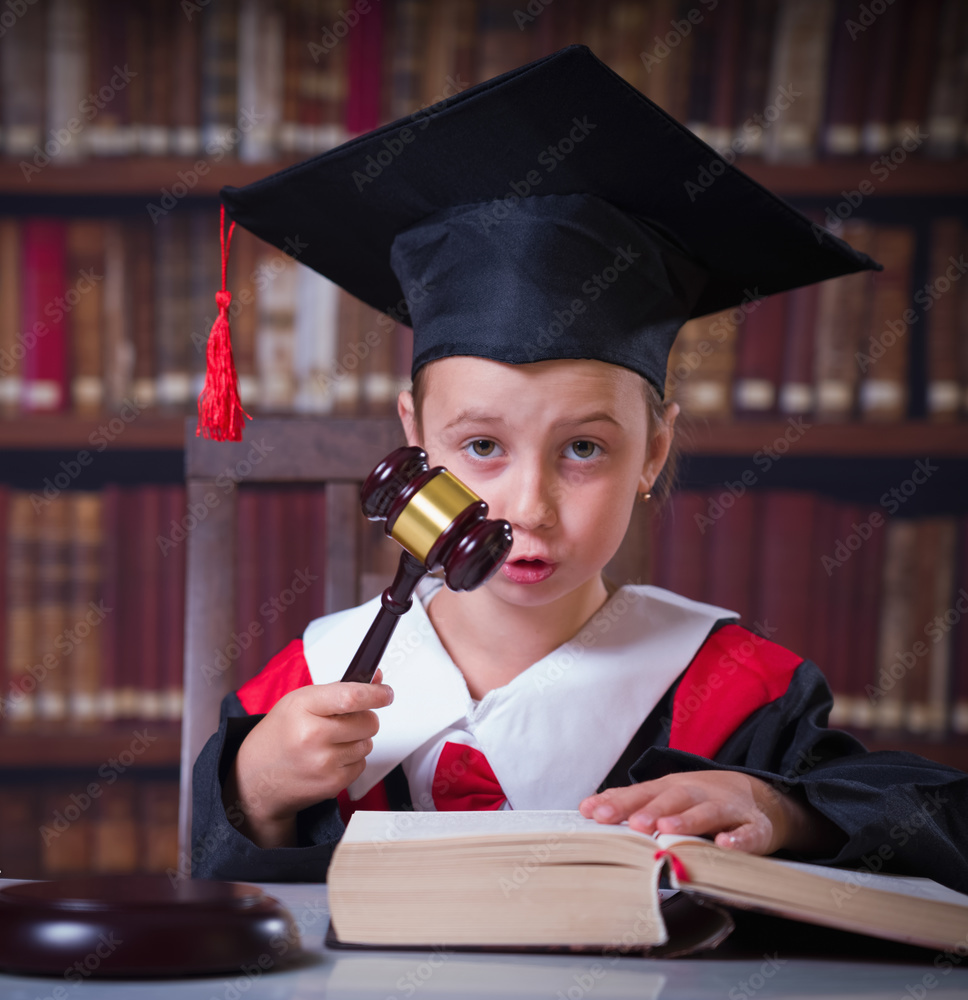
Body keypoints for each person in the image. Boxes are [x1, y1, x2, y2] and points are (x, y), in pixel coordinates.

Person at [191, 44, 968, 890]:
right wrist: (258, 790)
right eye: (481, 447)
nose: (529, 505)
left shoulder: (732, 689)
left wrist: (779, 807)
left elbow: (938, 819)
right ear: (416, 442)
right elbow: (220, 885)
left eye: (584, 449)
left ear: (655, 451)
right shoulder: (317, 677)